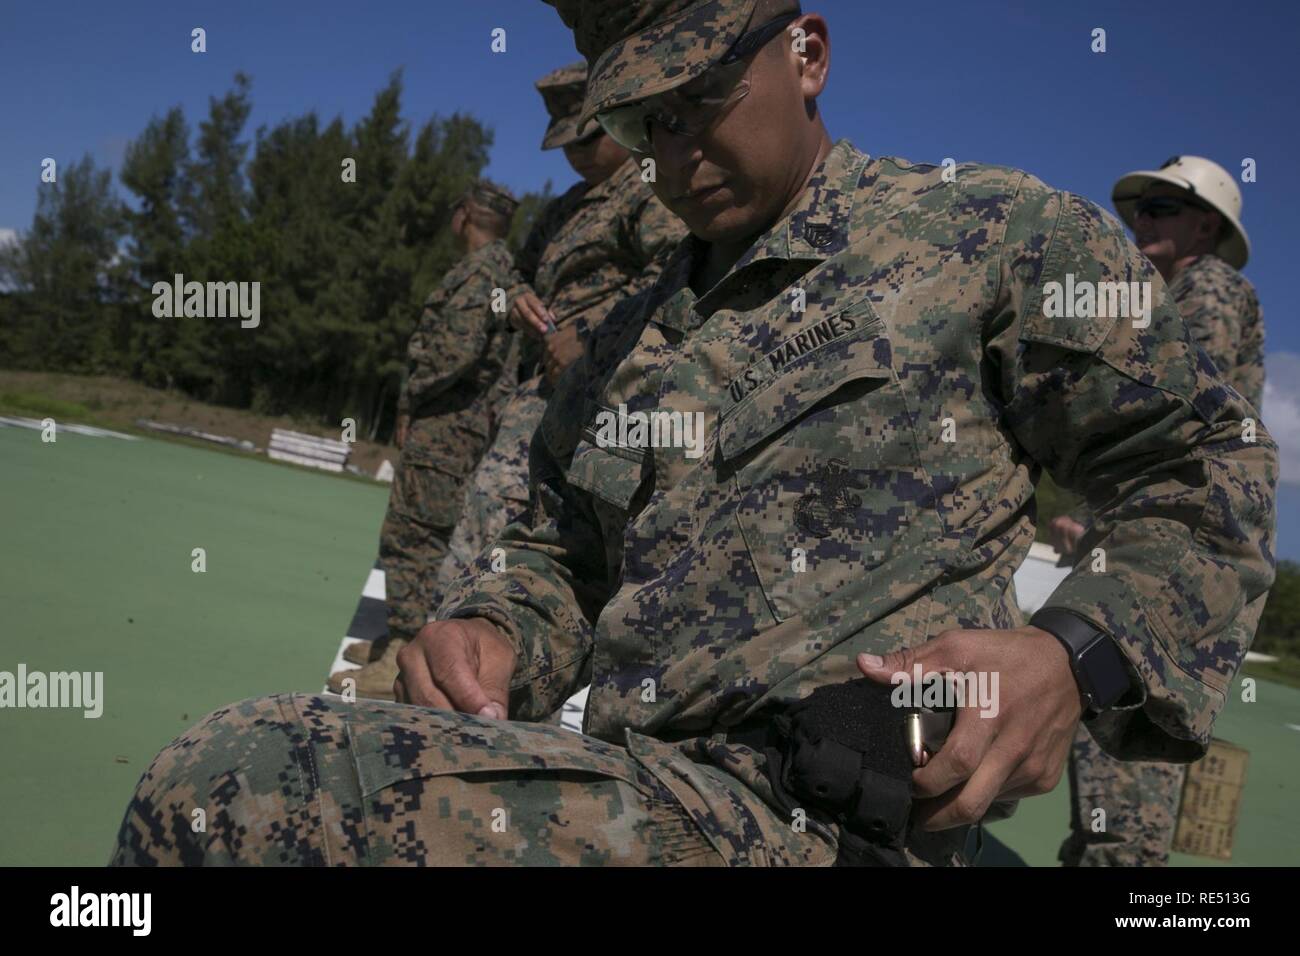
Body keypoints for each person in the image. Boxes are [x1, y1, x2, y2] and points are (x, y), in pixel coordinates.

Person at [110, 0, 1276, 867]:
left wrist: (1070, 656)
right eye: (643, 120)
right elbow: (559, 553)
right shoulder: (625, 332)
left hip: (845, 818)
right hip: (646, 788)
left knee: (235, 778)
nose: (672, 153)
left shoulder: (995, 236)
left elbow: (1204, 472)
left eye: (699, 100)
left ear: (806, 53)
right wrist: (495, 626)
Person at [1052, 156, 1265, 866]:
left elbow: (1178, 410)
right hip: (1160, 539)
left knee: (1123, 767)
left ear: (1206, 225)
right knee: (1110, 755)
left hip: (1169, 554)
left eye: (1162, 207)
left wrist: (1109, 521)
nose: (1141, 218)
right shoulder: (1177, 294)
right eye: (1139, 207)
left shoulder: (1206, 290)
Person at [426, 61, 685, 635]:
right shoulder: (563, 209)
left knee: (589, 544)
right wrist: (517, 298)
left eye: (588, 138)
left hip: (616, 394)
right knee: (488, 514)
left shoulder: (650, 189)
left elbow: (676, 275)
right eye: (565, 145)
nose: (576, 155)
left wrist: (591, 335)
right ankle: (445, 648)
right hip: (544, 393)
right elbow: (512, 273)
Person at [330, 182, 518, 700]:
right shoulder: (495, 270)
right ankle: (398, 638)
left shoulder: (482, 272)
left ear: (465, 216)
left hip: (448, 428)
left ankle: (404, 659)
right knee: (411, 535)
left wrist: (411, 393)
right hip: (452, 425)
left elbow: (455, 353)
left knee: (413, 539)